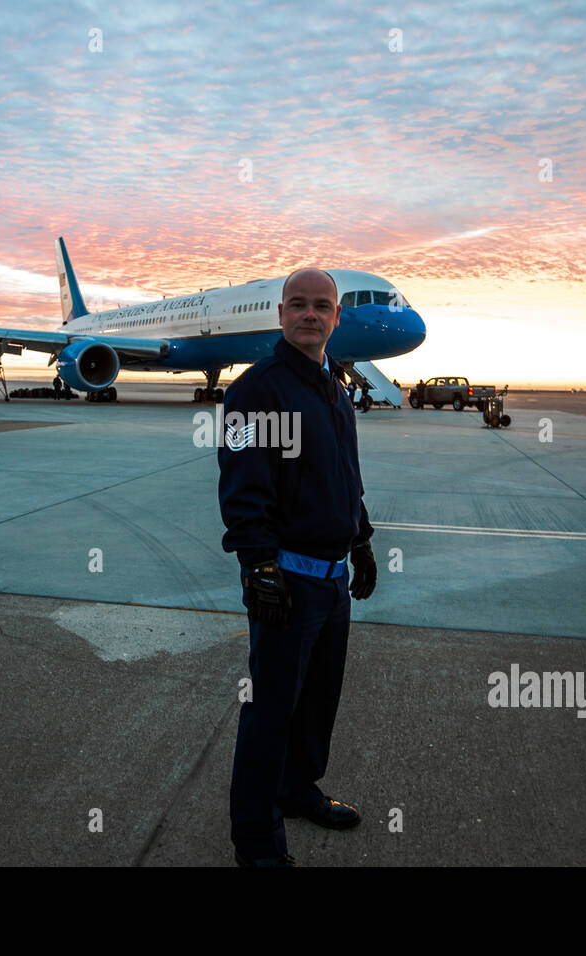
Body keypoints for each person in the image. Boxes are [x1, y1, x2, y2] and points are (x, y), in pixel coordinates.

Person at [217, 267, 377, 867]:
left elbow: (346, 476)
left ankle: (296, 788)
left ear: (336, 318)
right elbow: (242, 487)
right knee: (271, 716)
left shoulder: (334, 389)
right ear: (280, 314)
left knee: (317, 704)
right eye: (299, 305)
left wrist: (360, 540)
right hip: (287, 579)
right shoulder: (257, 391)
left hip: (333, 580)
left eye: (322, 306)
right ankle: (257, 844)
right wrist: (259, 566)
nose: (311, 315)